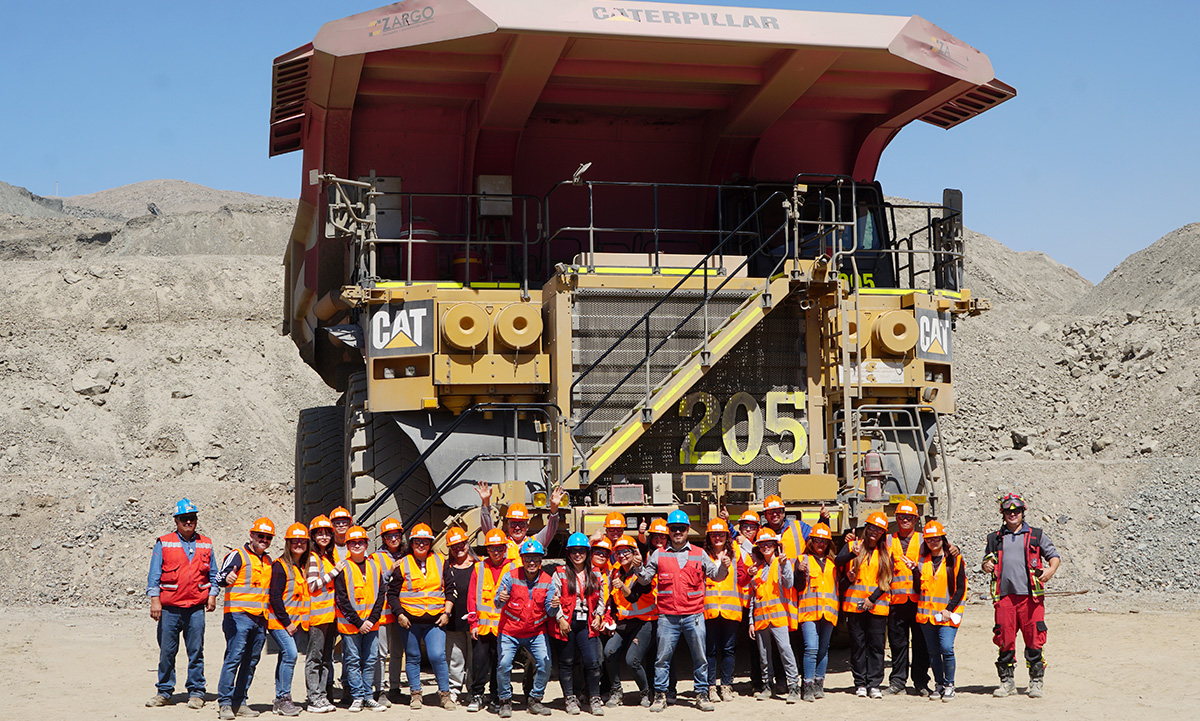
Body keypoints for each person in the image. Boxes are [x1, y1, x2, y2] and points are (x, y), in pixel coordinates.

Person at [638, 509, 730, 712]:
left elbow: (715, 576)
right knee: (662, 659)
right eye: (674, 528)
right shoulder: (658, 554)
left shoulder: (699, 553)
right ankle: (660, 695)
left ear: (688, 530)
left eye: (681, 528)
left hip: (694, 615)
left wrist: (724, 566)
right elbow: (645, 579)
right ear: (668, 531)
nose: (677, 532)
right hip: (667, 617)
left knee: (700, 658)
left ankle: (701, 694)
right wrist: (637, 567)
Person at [983, 493, 1061, 699]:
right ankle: (1006, 682)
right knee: (1004, 640)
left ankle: (1036, 681)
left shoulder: (1036, 535)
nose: (1012, 514)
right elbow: (987, 561)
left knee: (1034, 639)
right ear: (1003, 514)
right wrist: (986, 565)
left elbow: (1053, 556)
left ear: (1022, 513)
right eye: (1008, 511)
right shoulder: (994, 538)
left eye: (1016, 511)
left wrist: (1051, 571)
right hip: (1004, 597)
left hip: (1031, 598)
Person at [146, 498, 218, 709]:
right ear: (176, 520)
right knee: (167, 652)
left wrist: (212, 595)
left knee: (196, 651)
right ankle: (164, 691)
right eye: (184, 519)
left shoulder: (206, 543)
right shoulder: (164, 543)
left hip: (195, 608)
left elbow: (213, 574)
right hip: (170, 609)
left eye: (192, 518)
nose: (189, 522)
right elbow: (154, 575)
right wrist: (155, 600)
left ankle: (196, 692)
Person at [387, 523, 455, 709]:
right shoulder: (403, 564)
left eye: (425, 541)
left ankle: (444, 694)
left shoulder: (441, 561)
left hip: (435, 619)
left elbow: (450, 590)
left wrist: (447, 612)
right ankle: (415, 694)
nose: (421, 545)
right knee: (412, 656)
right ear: (411, 543)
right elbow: (392, 594)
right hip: (409, 621)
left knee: (437, 656)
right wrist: (400, 615)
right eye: (418, 541)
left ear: (430, 543)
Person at [216, 517, 276, 720]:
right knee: (234, 658)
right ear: (251, 535)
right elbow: (218, 577)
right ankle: (225, 703)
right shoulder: (237, 555)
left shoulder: (268, 561)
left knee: (250, 662)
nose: (264, 540)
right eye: (261, 536)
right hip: (238, 616)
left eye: (268, 538)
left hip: (260, 619)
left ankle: (239, 701)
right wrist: (226, 578)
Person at [494, 538, 555, 718]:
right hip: (510, 631)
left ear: (541, 560)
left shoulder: (547, 580)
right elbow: (497, 603)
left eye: (536, 559)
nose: (532, 562)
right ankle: (505, 700)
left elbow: (550, 612)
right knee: (504, 664)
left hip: (536, 632)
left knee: (545, 663)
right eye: (528, 558)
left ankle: (535, 700)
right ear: (522, 559)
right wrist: (501, 599)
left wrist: (555, 605)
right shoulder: (510, 576)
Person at [837, 511, 893, 699]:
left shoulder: (886, 552)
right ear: (866, 528)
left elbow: (887, 580)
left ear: (883, 532)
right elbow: (837, 563)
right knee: (858, 645)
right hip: (855, 607)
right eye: (872, 528)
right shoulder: (853, 546)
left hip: (877, 606)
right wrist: (848, 576)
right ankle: (860, 683)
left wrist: (872, 599)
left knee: (876, 646)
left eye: (879, 529)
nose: (874, 532)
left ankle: (874, 684)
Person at [552, 533, 608, 715]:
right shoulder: (559, 572)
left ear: (587, 552)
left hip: (588, 623)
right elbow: (554, 598)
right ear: (568, 553)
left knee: (593, 662)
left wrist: (599, 616)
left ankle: (594, 698)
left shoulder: (596, 573)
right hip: (567, 622)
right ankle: (569, 698)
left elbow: (601, 598)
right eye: (574, 551)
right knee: (566, 662)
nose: (578, 555)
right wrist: (560, 618)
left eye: (581, 551)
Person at [335, 525, 388, 712]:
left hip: (371, 624)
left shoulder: (375, 565)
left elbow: (381, 594)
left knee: (371, 659)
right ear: (348, 546)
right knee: (353, 660)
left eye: (360, 542)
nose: (357, 545)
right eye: (353, 543)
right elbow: (341, 599)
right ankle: (357, 696)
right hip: (351, 626)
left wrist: (371, 621)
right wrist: (359, 623)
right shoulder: (344, 567)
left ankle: (368, 696)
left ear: (366, 544)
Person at [882, 501, 931, 697]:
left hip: (919, 601)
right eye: (901, 516)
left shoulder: (923, 540)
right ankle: (897, 682)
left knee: (921, 644)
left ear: (915, 519)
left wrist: (955, 549)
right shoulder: (887, 540)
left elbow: (941, 553)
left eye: (908, 517)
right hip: (896, 601)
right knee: (897, 643)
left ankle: (920, 682)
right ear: (896, 518)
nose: (904, 520)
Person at [915, 521, 966, 702]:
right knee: (933, 651)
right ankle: (939, 684)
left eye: (936, 538)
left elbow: (960, 589)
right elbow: (917, 588)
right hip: (927, 615)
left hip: (947, 614)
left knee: (946, 648)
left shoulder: (955, 559)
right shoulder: (922, 561)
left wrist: (948, 609)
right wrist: (914, 571)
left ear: (943, 539)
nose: (933, 542)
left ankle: (949, 684)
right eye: (929, 539)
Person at [747, 528, 799, 703]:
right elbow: (754, 597)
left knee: (786, 651)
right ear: (759, 548)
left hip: (778, 617)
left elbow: (789, 583)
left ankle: (794, 687)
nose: (766, 547)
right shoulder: (758, 569)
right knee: (764, 655)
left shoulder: (782, 562)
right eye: (762, 545)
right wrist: (750, 622)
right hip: (761, 619)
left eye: (769, 544)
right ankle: (767, 686)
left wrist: (785, 566)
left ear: (776, 546)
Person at [467, 529, 517, 712]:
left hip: (504, 628)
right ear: (487, 549)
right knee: (479, 663)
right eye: (492, 548)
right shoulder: (479, 567)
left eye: (499, 548)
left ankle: (497, 696)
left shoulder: (513, 568)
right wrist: (473, 623)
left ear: (505, 548)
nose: (496, 552)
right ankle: (477, 695)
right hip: (482, 627)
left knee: (501, 664)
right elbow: (472, 597)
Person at [604, 535, 655, 708]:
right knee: (609, 653)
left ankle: (646, 693)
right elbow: (611, 599)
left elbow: (634, 597)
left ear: (635, 553)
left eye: (626, 551)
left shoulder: (643, 572)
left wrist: (622, 586)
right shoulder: (615, 571)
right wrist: (608, 618)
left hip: (644, 622)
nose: (622, 555)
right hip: (623, 623)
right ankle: (616, 691)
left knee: (632, 660)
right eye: (619, 552)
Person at [267, 523, 311, 716]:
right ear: (288, 543)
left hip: (295, 623)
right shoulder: (280, 565)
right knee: (291, 655)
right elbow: (275, 597)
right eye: (295, 541)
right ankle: (284, 698)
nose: (299, 544)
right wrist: (287, 623)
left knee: (285, 657)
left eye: (302, 541)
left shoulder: (300, 566)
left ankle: (279, 700)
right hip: (281, 623)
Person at [702, 518, 746, 704]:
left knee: (728, 650)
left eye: (721, 534)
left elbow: (743, 579)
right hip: (709, 610)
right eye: (714, 534)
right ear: (709, 537)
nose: (718, 537)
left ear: (727, 536)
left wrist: (743, 570)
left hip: (730, 609)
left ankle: (726, 686)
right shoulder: (704, 555)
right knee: (710, 650)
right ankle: (711, 687)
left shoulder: (736, 554)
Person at [304, 515, 344, 714]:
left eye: (327, 533)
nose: (324, 536)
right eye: (319, 533)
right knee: (315, 658)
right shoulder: (313, 557)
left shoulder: (328, 556)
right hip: (317, 617)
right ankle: (314, 698)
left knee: (327, 658)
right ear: (313, 536)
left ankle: (322, 696)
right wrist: (334, 572)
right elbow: (312, 585)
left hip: (330, 616)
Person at [794, 523, 837, 702]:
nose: (821, 544)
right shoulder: (802, 559)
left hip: (829, 611)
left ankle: (820, 682)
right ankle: (808, 685)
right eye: (817, 540)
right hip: (808, 611)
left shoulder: (833, 563)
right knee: (811, 648)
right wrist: (799, 571)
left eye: (824, 541)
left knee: (823, 649)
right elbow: (797, 586)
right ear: (811, 541)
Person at [477, 482, 563, 562]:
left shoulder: (534, 542)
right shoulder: (502, 543)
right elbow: (489, 531)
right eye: (513, 523)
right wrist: (485, 503)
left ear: (527, 526)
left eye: (521, 524)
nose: (517, 527)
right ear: (507, 525)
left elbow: (550, 530)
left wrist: (554, 509)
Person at [369, 517, 405, 706]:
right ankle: (379, 689)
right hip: (382, 611)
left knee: (398, 652)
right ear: (383, 538)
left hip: (401, 612)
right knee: (381, 653)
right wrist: (390, 570)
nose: (393, 539)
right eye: (389, 536)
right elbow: (374, 582)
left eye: (396, 535)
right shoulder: (375, 557)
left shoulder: (407, 555)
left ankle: (395, 688)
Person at [443, 527, 477, 706]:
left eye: (461, 544)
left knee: (473, 659)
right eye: (454, 546)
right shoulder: (446, 567)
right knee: (455, 659)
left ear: (467, 543)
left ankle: (473, 691)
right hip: (453, 621)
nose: (458, 548)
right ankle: (454, 690)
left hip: (474, 621)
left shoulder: (479, 565)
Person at [733, 511, 765, 696]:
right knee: (734, 644)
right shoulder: (735, 547)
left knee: (757, 646)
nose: (748, 529)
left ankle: (758, 683)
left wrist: (747, 545)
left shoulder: (761, 545)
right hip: (738, 601)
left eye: (752, 526)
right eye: (745, 526)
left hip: (757, 601)